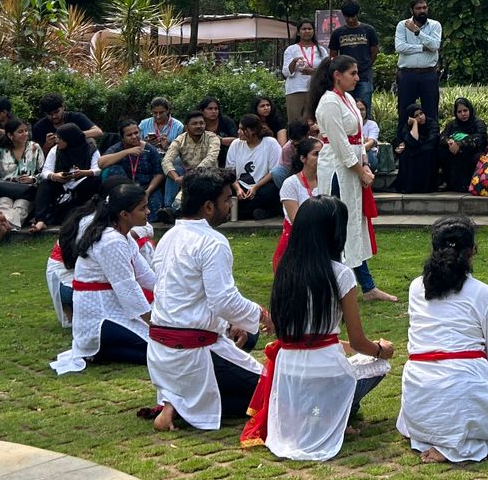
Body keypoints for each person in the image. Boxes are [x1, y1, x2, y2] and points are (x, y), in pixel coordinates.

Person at [239, 196, 394, 457]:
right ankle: (336, 414)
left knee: (342, 364)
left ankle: (317, 411)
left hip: (288, 374)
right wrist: (380, 349)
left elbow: (311, 337)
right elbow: (357, 342)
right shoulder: (341, 274)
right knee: (380, 366)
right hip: (326, 371)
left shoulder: (285, 269)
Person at [396, 215, 488, 462]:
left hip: (419, 395)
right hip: (461, 386)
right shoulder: (483, 294)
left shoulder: (416, 288)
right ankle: (458, 444)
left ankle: (441, 436)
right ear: (472, 251)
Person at [146, 173, 269, 432]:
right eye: (226, 200)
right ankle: (181, 404)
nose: (229, 206)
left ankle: (179, 401)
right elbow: (223, 300)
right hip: (194, 352)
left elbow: (190, 297)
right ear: (208, 206)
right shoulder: (213, 241)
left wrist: (230, 322)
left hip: (161, 355)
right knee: (272, 391)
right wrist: (259, 314)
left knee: (248, 353)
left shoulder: (169, 237)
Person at [311, 55, 393, 301]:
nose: (357, 78)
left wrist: (364, 163)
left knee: (354, 225)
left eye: (357, 73)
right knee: (337, 229)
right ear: (338, 75)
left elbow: (357, 138)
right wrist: (360, 170)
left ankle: (366, 286)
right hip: (337, 169)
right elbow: (338, 143)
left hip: (353, 166)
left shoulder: (346, 98)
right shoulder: (328, 102)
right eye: (352, 73)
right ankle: (334, 285)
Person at [49, 184, 153, 372]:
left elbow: (144, 274)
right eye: (142, 208)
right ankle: (99, 350)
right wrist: (153, 320)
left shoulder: (123, 237)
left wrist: (169, 294)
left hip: (109, 306)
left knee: (161, 344)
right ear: (124, 214)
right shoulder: (111, 240)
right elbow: (126, 287)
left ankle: (101, 350)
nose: (148, 211)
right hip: (99, 313)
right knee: (158, 350)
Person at [0, 117, 46, 242]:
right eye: (20, 132)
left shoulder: (35, 148)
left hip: (26, 191)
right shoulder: (0, 151)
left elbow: (44, 172)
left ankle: (1, 225)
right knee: (3, 202)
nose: (25, 134)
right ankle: (7, 225)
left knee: (21, 205)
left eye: (26, 131)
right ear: (10, 135)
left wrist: (32, 179)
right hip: (5, 189)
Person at [32, 123, 99, 232]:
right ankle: (41, 220)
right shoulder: (55, 150)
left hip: (80, 185)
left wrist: (83, 173)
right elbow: (45, 171)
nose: (57, 141)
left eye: (60, 138)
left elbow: (97, 169)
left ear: (70, 139)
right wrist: (54, 176)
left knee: (93, 182)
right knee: (45, 184)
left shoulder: (90, 149)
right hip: (61, 185)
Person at [159, 110, 221, 225]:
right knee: (175, 169)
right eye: (195, 124)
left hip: (207, 174)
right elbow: (166, 160)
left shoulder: (213, 138)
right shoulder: (180, 139)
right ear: (187, 127)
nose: (199, 126)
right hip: (185, 177)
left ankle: (173, 212)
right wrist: (177, 178)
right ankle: (168, 208)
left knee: (196, 176)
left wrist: (190, 176)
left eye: (201, 123)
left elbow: (211, 158)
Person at [395, 0, 443, 124]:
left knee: (431, 110)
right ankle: (403, 141)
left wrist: (417, 32)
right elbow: (400, 47)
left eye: (424, 8)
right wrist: (422, 48)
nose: (422, 11)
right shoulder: (402, 25)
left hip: (429, 73)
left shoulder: (435, 25)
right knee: (404, 109)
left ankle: (432, 141)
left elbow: (434, 46)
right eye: (418, 8)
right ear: (412, 10)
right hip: (407, 74)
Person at [274, 137, 321, 270]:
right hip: (296, 243)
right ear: (303, 158)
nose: (321, 158)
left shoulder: (327, 181)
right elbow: (296, 220)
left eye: (324, 154)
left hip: (323, 240)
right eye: (316, 154)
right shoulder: (291, 184)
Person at [226, 114, 281, 218]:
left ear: (253, 131)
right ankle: (254, 212)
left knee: (271, 191)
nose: (238, 132)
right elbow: (230, 171)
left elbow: (274, 171)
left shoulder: (271, 143)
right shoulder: (235, 144)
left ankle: (242, 213)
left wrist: (256, 187)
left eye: (242, 129)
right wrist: (238, 189)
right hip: (240, 185)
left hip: (261, 185)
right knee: (225, 189)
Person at [330, 0, 381, 110]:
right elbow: (333, 55)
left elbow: (374, 51)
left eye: (353, 16)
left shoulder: (368, 30)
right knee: (347, 108)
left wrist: (367, 65)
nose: (350, 20)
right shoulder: (338, 33)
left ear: (357, 14)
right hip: (345, 76)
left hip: (364, 75)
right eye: (347, 17)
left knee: (364, 107)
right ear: (343, 15)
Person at [97, 119, 165, 198]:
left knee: (154, 206)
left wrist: (149, 191)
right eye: (129, 135)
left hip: (147, 188)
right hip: (124, 189)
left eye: (136, 133)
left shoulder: (149, 149)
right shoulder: (118, 148)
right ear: (122, 138)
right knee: (114, 168)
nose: (134, 137)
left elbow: (159, 174)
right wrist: (127, 152)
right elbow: (101, 163)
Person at [281, 20, 328, 124]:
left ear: (314, 31)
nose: (307, 31)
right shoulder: (291, 49)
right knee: (296, 121)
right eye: (303, 29)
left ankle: (316, 140)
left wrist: (314, 72)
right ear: (298, 32)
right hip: (295, 89)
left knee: (316, 120)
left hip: (316, 89)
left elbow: (327, 70)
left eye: (309, 29)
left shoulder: (321, 50)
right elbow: (285, 73)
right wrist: (294, 61)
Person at [441, 98, 487, 193]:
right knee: (441, 150)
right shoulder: (453, 124)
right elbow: (442, 136)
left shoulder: (478, 123)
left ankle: (474, 185)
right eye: (459, 112)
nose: (463, 114)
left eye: (465, 110)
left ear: (469, 109)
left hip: (473, 153)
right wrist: (450, 142)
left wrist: (460, 144)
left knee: (478, 157)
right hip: (455, 153)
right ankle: (448, 182)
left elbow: (480, 138)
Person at [393, 103, 439, 195]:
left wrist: (416, 145)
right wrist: (414, 124)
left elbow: (432, 141)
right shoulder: (407, 127)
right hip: (417, 151)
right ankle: (411, 185)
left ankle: (426, 186)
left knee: (426, 152)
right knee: (406, 154)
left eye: (421, 114)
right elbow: (413, 140)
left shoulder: (431, 123)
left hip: (429, 151)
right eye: (416, 116)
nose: (420, 117)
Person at [31, 93, 102, 150]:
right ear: (45, 114)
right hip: (57, 160)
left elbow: (98, 132)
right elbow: (39, 157)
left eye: (56, 112)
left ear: (63, 107)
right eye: (50, 114)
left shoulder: (76, 117)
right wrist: (47, 145)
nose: (54, 116)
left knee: (90, 140)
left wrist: (74, 135)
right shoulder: (40, 127)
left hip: (80, 155)